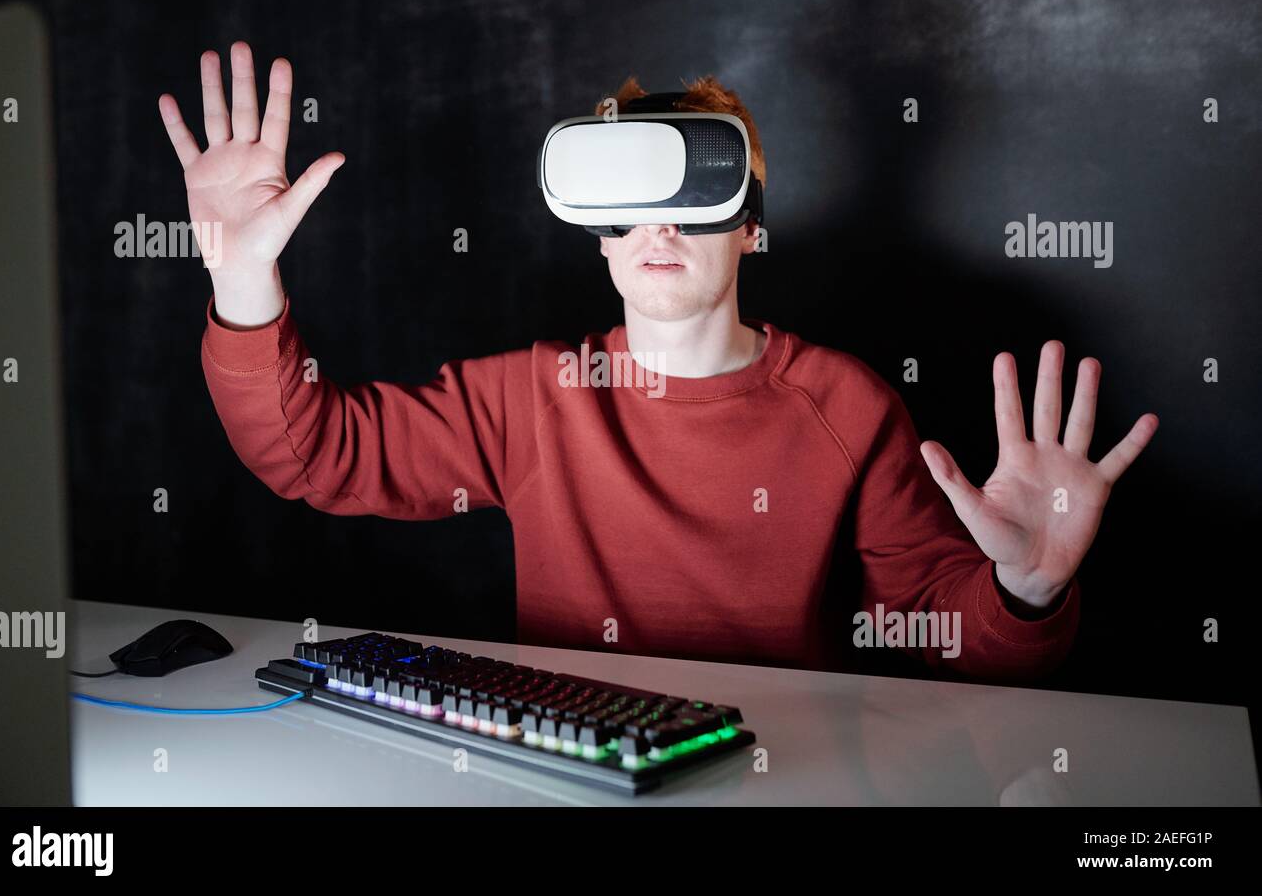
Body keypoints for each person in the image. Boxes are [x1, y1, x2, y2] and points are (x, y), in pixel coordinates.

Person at [158, 42, 1158, 680]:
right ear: (595, 233)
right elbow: (314, 453)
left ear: (750, 229)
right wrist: (246, 279)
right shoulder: (531, 399)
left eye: (697, 185)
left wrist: (1024, 589)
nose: (659, 225)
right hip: (566, 771)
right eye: (627, 196)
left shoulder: (845, 405)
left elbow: (946, 631)